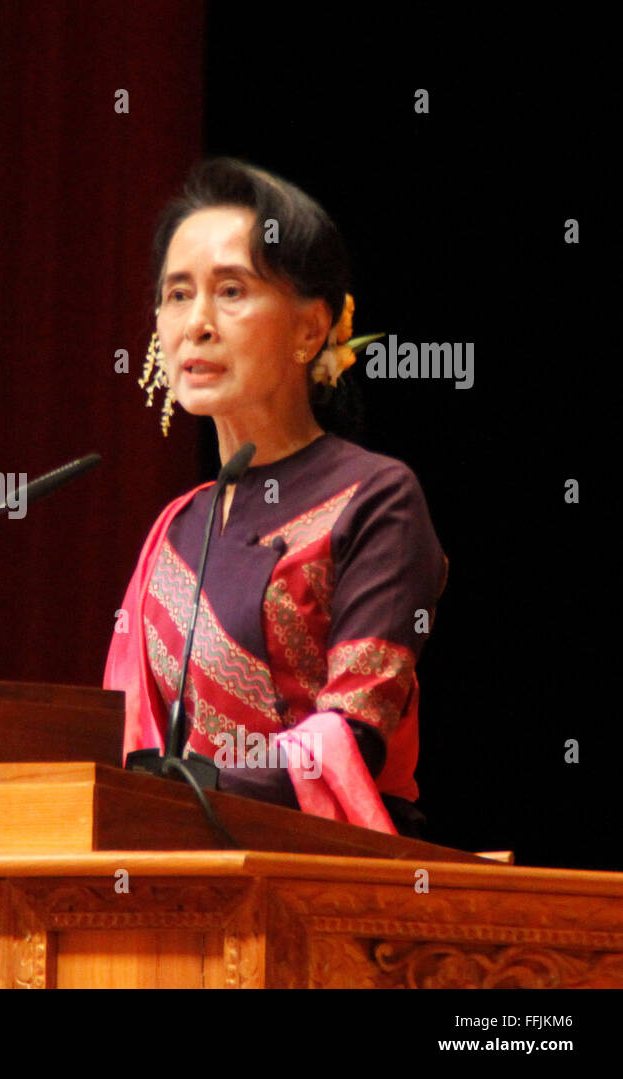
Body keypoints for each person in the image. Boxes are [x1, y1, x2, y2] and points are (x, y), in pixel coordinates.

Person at [104, 158, 447, 838]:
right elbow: (123, 735)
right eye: (176, 295)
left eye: (230, 290)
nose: (195, 323)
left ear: (310, 330)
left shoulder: (377, 498)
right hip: (171, 872)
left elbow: (350, 737)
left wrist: (185, 783)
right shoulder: (177, 526)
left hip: (323, 880)